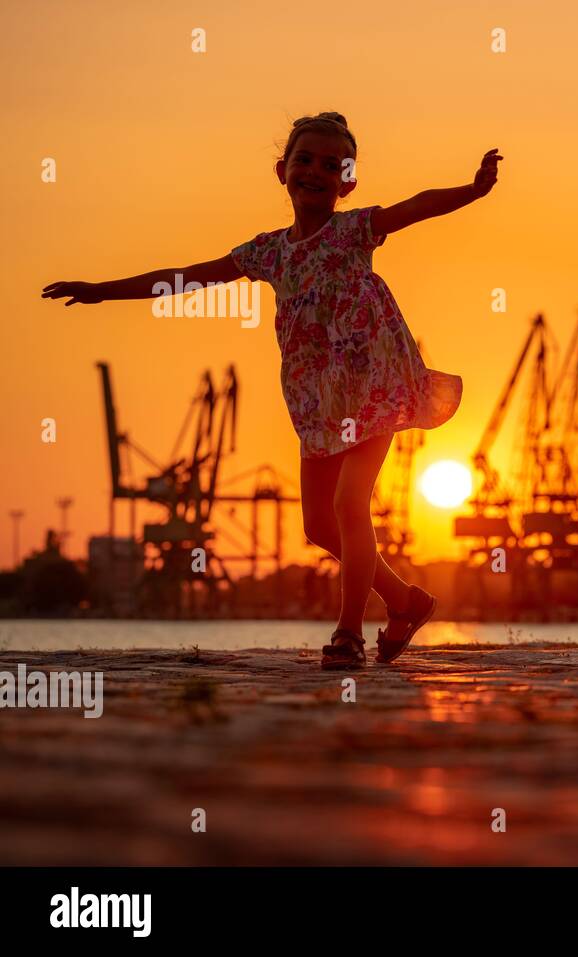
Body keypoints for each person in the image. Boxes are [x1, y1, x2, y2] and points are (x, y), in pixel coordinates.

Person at [43, 112, 503, 669]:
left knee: (349, 504)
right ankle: (406, 601)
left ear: (347, 182)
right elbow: (188, 275)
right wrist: (101, 292)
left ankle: (349, 633)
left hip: (373, 384)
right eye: (305, 160)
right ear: (282, 170)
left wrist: (473, 190)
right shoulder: (269, 252)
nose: (316, 171)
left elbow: (416, 206)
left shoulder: (354, 231)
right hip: (316, 401)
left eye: (332, 165)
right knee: (317, 525)